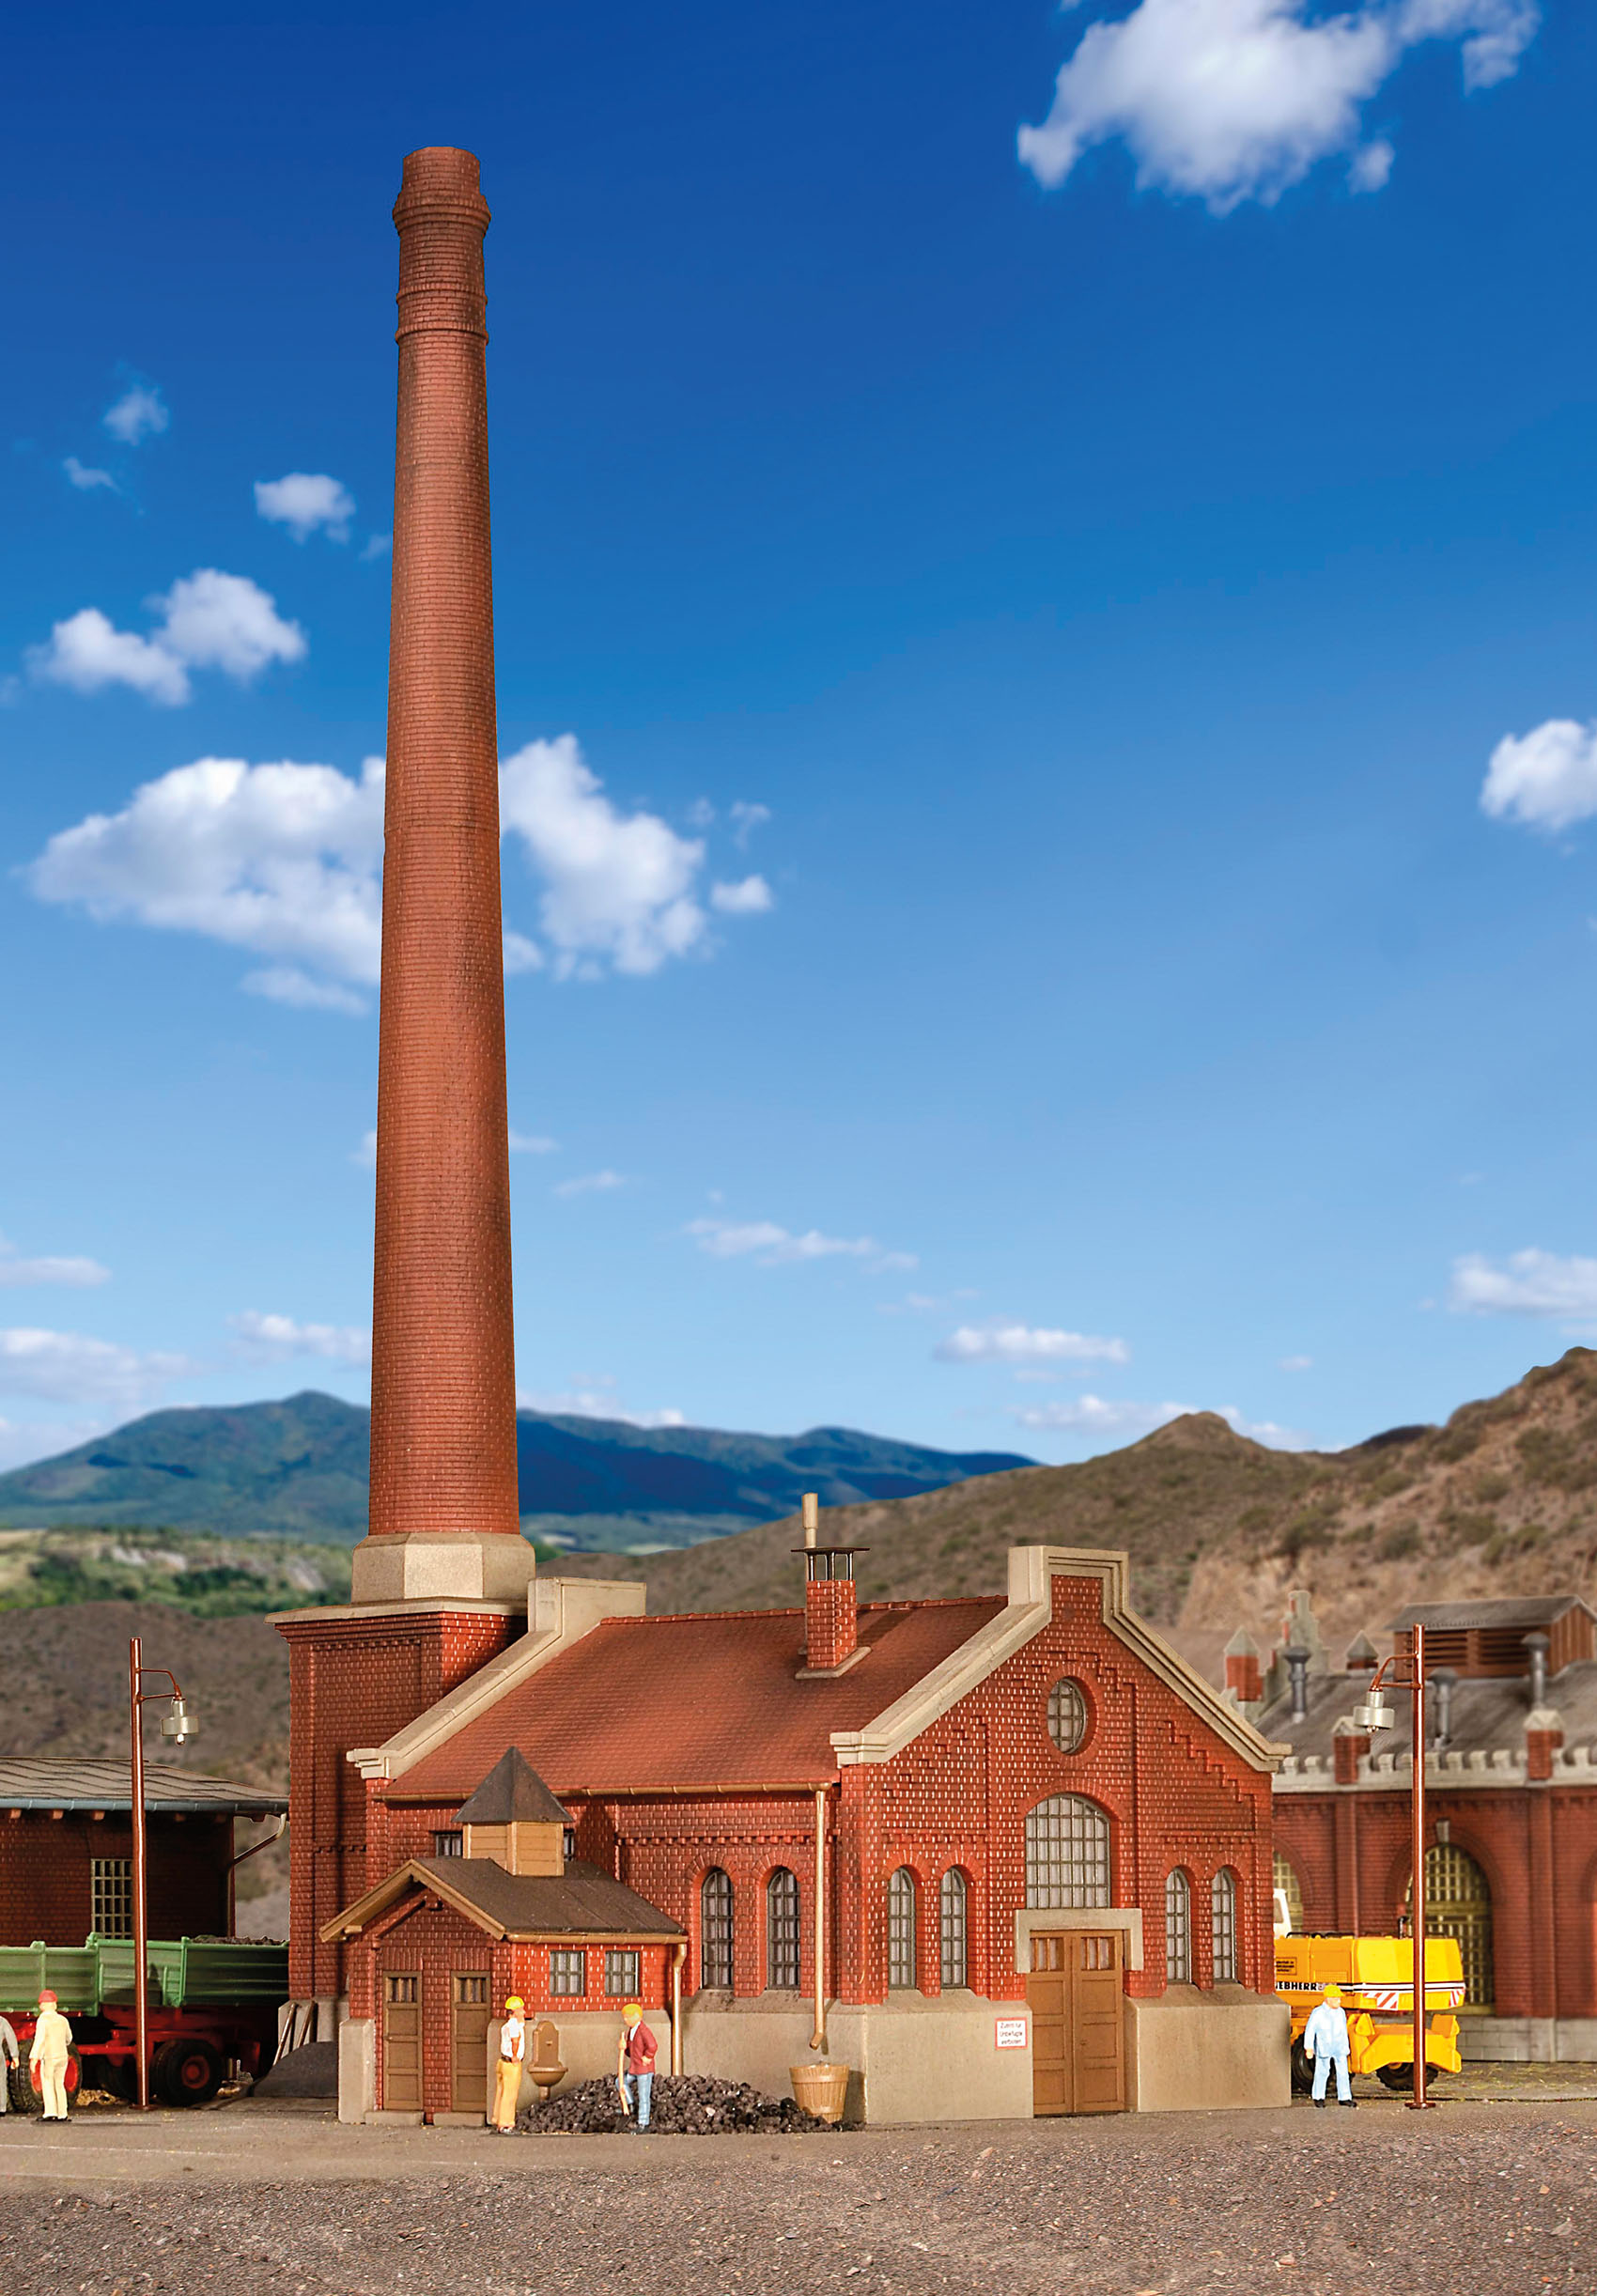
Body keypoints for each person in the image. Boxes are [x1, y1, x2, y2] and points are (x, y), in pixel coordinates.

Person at [1303, 1981, 1355, 2108]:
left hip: (1339, 2047)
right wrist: (1308, 2047)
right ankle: (1318, 2096)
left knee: (1343, 2072)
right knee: (1322, 2072)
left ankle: (1345, 2097)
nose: (1339, 2001)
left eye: (1339, 1998)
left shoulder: (1341, 2012)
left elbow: (1343, 2031)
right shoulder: (1318, 2013)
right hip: (1324, 2046)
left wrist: (1346, 2046)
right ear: (1328, 1999)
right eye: (1336, 1998)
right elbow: (1310, 2030)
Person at [30, 1991, 72, 2123]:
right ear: (55, 2005)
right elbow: (69, 2038)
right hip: (62, 2056)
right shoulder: (62, 2020)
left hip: (49, 2057)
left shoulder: (43, 2020)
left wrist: (34, 2057)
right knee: (59, 2084)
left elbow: (39, 2039)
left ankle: (50, 2112)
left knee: (48, 2082)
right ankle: (63, 2113)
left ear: (43, 2005)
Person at [618, 2001, 658, 2130]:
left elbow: (653, 2045)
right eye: (624, 2017)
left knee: (643, 2096)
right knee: (620, 2082)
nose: (625, 2019)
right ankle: (630, 2105)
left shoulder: (643, 2030)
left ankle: (643, 2123)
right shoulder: (631, 2031)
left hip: (644, 2070)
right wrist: (624, 2047)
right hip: (634, 2068)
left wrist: (648, 2056)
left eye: (628, 2017)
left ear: (637, 2016)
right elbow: (631, 2051)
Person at [491, 1994, 525, 2133]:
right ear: (514, 2011)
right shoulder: (513, 2025)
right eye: (521, 2009)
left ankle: (497, 2119)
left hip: (502, 2062)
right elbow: (515, 2040)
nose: (523, 2012)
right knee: (510, 2094)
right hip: (511, 2064)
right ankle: (506, 2124)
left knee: (501, 2091)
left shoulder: (507, 2025)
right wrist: (516, 2056)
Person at [0, 2013, 17, 2114]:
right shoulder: (2, 2021)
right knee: (1, 2080)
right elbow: (11, 2037)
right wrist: (14, 2055)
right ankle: (1, 2107)